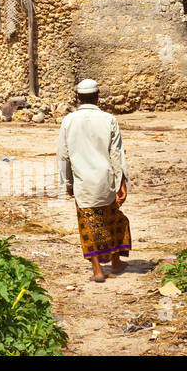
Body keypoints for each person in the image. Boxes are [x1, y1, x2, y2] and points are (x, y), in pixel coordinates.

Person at [57, 79, 130, 282]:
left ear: (78, 98)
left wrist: (68, 183)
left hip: (83, 183)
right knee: (112, 219)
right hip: (106, 181)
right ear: (98, 97)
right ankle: (115, 262)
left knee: (87, 226)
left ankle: (98, 270)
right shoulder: (109, 120)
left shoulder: (68, 121)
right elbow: (117, 155)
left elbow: (63, 156)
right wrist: (121, 183)